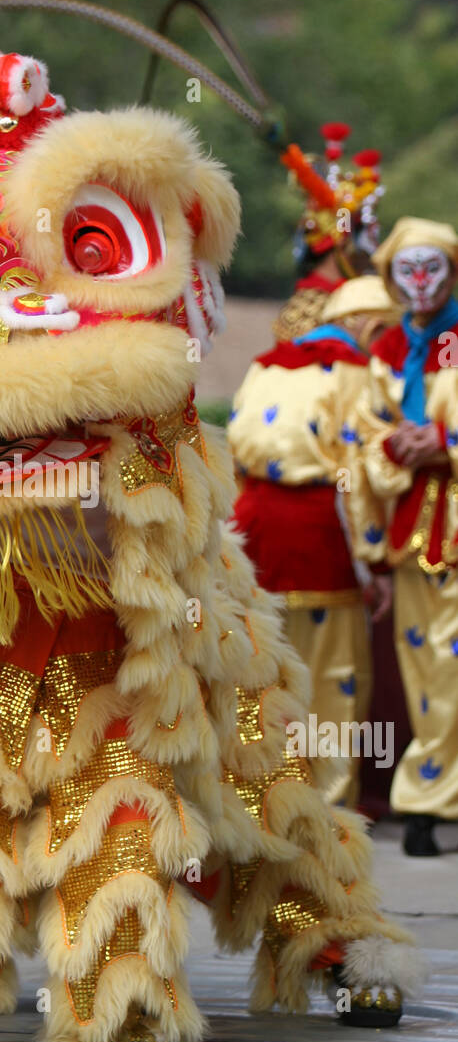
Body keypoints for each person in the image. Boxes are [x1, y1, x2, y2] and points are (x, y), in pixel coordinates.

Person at [0, 56, 416, 1042]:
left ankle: (321, 937)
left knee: (214, 802)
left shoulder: (146, 456)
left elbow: (162, 508)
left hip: (121, 679)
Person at [228, 274, 401, 807]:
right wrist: (374, 564)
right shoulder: (356, 373)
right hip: (321, 537)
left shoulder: (264, 365)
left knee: (260, 672)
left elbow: (234, 453)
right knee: (333, 679)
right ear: (368, 325)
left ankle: (260, 800)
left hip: (252, 528)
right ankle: (327, 809)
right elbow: (361, 477)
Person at [355, 217, 458, 856]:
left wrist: (446, 444)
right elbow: (365, 430)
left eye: (434, 269)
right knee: (423, 664)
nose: (420, 282)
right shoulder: (389, 347)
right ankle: (427, 797)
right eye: (407, 270)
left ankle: (434, 796)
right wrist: (398, 444)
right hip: (413, 527)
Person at [273, 122, 382, 342]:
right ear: (342, 241)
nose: (371, 252)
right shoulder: (310, 310)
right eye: (361, 235)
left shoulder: (369, 302)